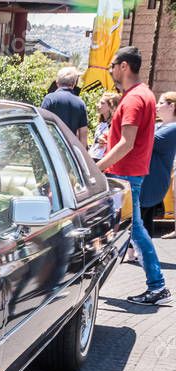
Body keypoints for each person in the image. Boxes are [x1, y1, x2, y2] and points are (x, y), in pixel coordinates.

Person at [97, 46, 169, 306]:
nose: (111, 71)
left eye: (112, 66)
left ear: (124, 66)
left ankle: (157, 284)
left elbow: (127, 143)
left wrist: (97, 167)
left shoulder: (133, 99)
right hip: (129, 173)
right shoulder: (143, 95)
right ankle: (156, 284)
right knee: (124, 229)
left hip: (125, 175)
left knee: (134, 230)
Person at [139, 92, 176, 238]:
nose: (157, 106)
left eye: (161, 103)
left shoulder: (173, 128)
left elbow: (145, 140)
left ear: (172, 106)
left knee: (141, 217)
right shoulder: (159, 125)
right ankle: (144, 254)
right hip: (147, 177)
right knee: (144, 218)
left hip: (154, 179)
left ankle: (135, 251)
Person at [40, 67, 88, 145]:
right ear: (74, 84)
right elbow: (83, 134)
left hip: (52, 146)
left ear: (57, 82)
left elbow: (41, 124)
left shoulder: (50, 99)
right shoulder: (80, 103)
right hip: (70, 150)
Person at [91, 93, 120, 160]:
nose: (98, 105)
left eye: (102, 103)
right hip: (94, 156)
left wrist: (106, 142)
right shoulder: (101, 124)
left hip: (104, 159)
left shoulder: (114, 124)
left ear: (111, 107)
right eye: (99, 102)